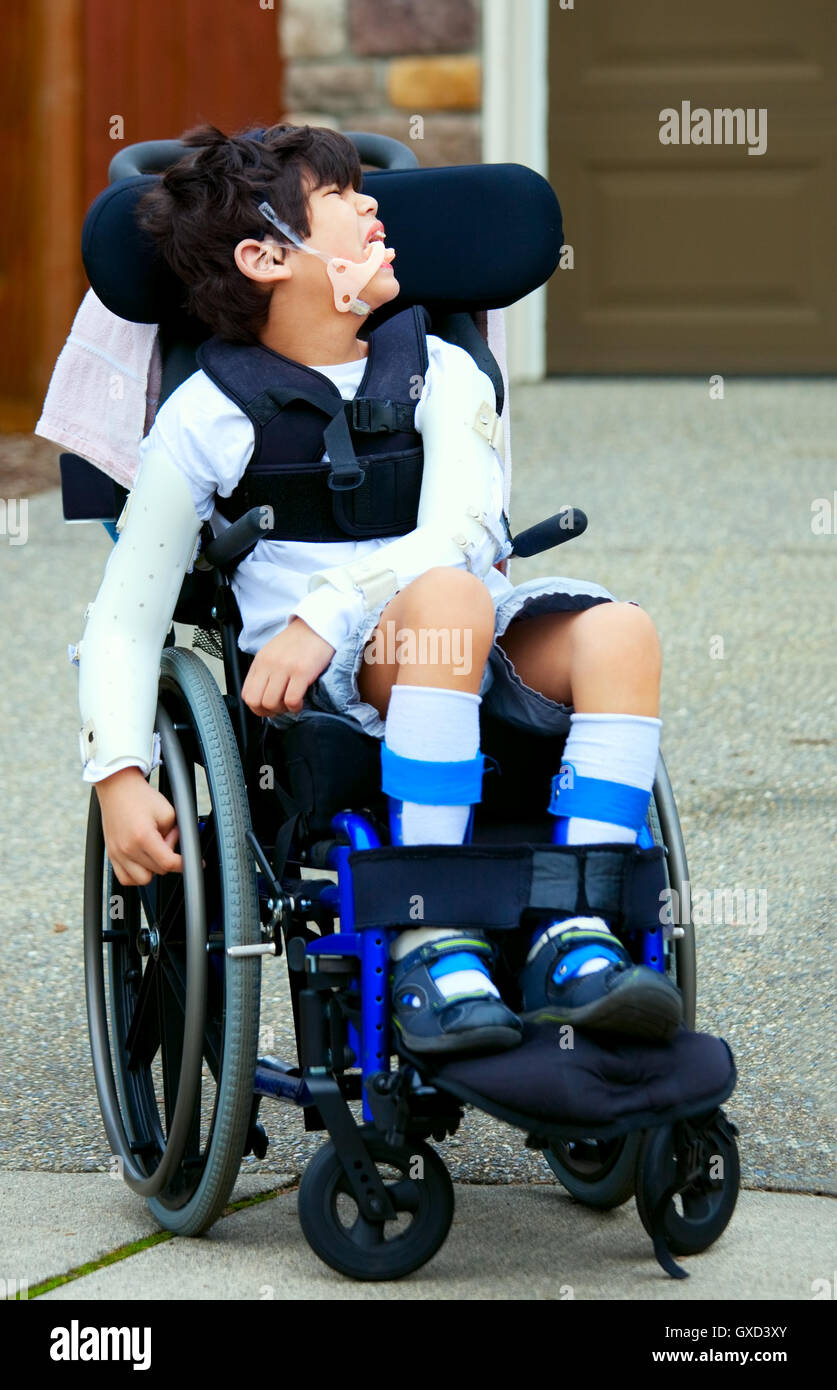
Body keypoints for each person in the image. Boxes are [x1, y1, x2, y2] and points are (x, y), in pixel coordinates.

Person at [78, 122, 682, 1058]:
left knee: (619, 635)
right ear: (265, 256)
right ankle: (429, 937)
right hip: (335, 689)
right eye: (341, 198)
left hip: (439, 632)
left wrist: (329, 610)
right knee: (448, 602)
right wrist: (119, 774)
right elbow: (126, 618)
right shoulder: (208, 416)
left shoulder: (440, 369)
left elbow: (463, 532)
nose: (373, 207)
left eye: (367, 190)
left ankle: (579, 933)